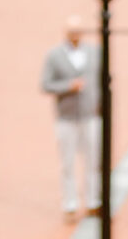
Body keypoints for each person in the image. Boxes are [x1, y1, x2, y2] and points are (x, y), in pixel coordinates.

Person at [39, 15, 102, 223]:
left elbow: (103, 80)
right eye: (72, 31)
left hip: (90, 115)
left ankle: (93, 201)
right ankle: (70, 203)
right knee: (67, 162)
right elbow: (46, 84)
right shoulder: (54, 56)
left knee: (93, 160)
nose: (75, 35)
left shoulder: (95, 53)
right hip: (66, 117)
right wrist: (68, 86)